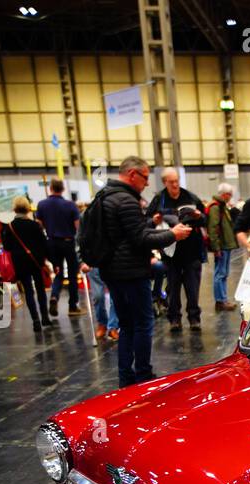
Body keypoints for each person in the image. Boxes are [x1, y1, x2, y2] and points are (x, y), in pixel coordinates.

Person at [92, 156, 192, 387]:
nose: (147, 183)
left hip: (112, 270)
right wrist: (172, 235)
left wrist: (149, 224)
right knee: (142, 324)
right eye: (145, 177)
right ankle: (144, 376)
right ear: (132, 175)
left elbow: (126, 234)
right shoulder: (126, 200)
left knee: (126, 325)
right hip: (131, 273)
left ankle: (126, 378)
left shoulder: (106, 196)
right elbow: (139, 239)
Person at [146, 168, 207, 329]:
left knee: (192, 288)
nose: (175, 185)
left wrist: (198, 216)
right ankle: (174, 319)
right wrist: (154, 220)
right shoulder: (159, 199)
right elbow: (146, 223)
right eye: (171, 182)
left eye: (177, 181)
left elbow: (204, 219)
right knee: (172, 288)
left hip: (191, 250)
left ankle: (194, 318)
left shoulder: (190, 197)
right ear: (165, 182)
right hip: (169, 252)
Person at [2, 195, 52, 332]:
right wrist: (50, 260)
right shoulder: (35, 225)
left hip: (20, 262)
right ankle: (45, 318)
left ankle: (35, 321)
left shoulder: (10, 227)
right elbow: (44, 244)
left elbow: (6, 247)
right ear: (27, 208)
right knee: (40, 289)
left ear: (14, 208)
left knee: (28, 290)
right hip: (36, 261)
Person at [35, 178, 83, 318]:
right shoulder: (70, 205)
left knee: (58, 272)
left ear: (50, 188)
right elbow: (77, 226)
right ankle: (73, 306)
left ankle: (54, 297)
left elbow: (40, 225)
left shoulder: (42, 205)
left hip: (52, 242)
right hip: (68, 242)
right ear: (62, 189)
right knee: (73, 275)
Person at [206, 183, 239, 311]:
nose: (230, 197)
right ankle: (220, 301)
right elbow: (213, 228)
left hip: (225, 245)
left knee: (223, 273)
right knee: (220, 274)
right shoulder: (216, 207)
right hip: (222, 246)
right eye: (229, 195)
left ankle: (223, 299)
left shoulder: (221, 206)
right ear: (225, 194)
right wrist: (216, 248)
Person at [81, 262, 119, 342]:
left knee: (115, 296)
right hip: (94, 263)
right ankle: (102, 323)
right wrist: (82, 262)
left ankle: (113, 326)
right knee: (97, 296)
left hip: (112, 262)